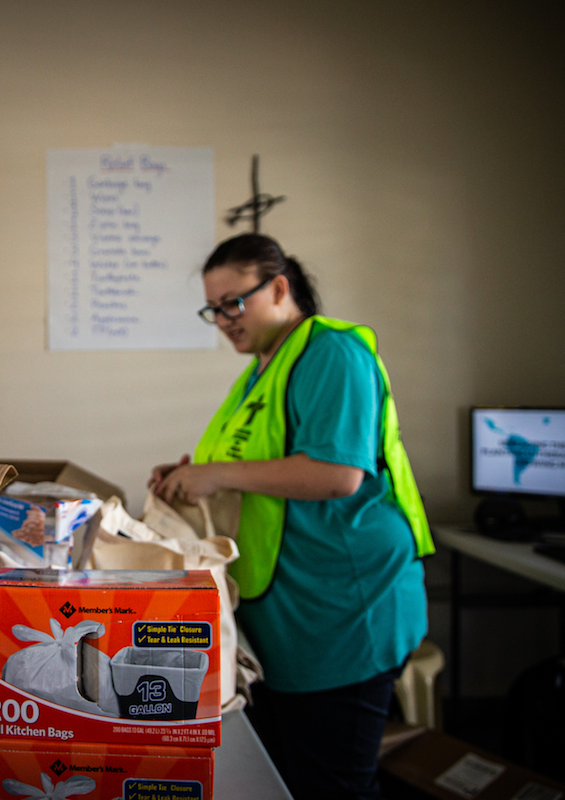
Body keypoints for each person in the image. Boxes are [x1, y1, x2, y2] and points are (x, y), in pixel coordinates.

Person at [148, 233, 435, 800]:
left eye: (235, 302)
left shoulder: (331, 352)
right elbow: (250, 467)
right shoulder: (262, 371)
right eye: (213, 308)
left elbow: (338, 474)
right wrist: (189, 475)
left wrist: (217, 476)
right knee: (285, 781)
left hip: (344, 613)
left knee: (334, 788)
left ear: (279, 288)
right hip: (286, 619)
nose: (224, 319)